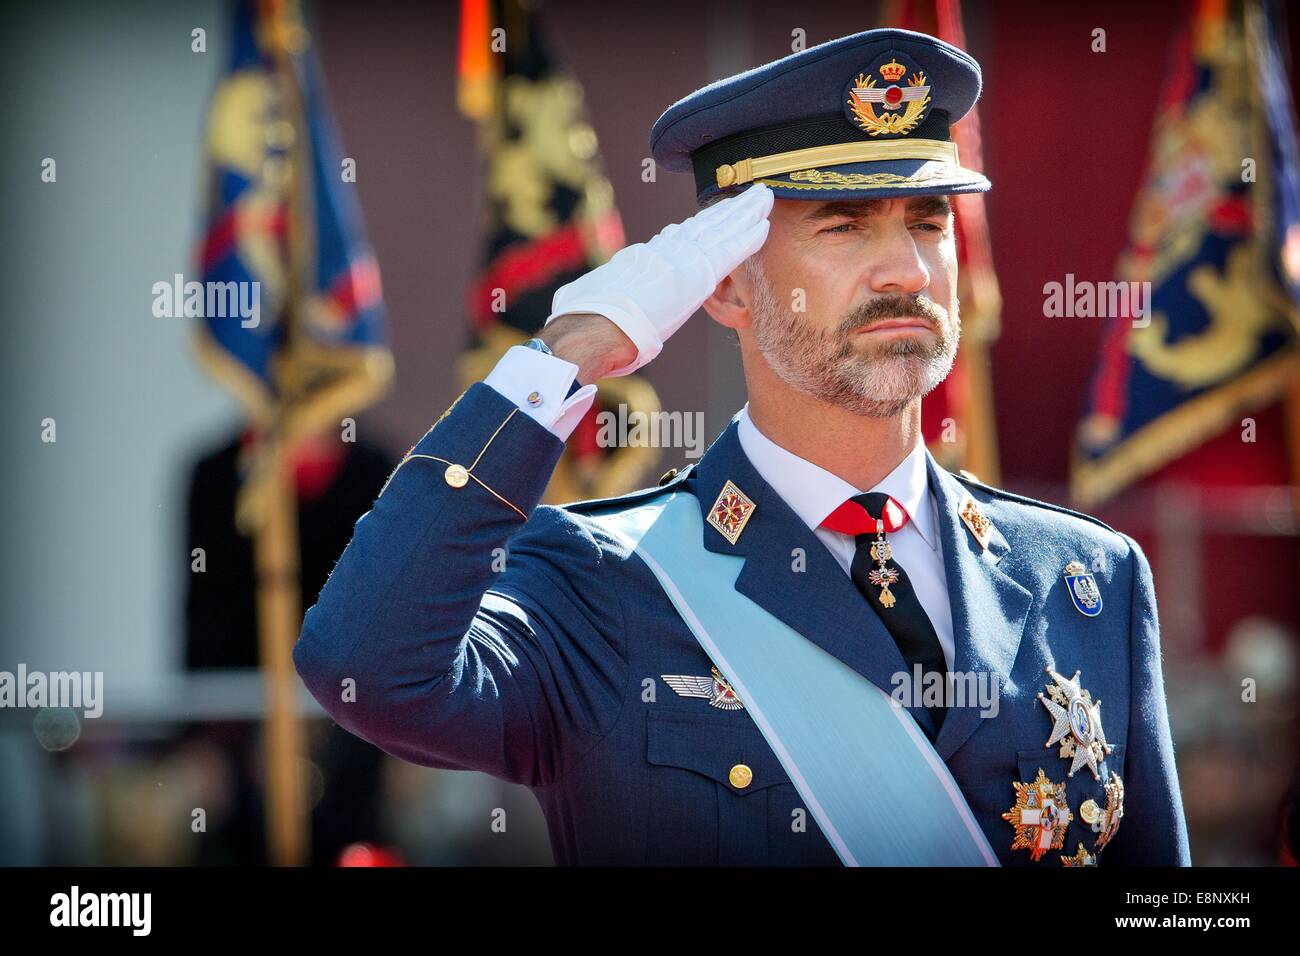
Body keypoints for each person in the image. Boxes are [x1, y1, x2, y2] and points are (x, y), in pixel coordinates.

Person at [294, 28, 1191, 866]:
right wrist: (564, 360)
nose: (908, 271)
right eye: (844, 226)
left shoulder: (1087, 578)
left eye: (927, 221)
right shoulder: (602, 583)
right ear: (725, 285)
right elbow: (364, 667)